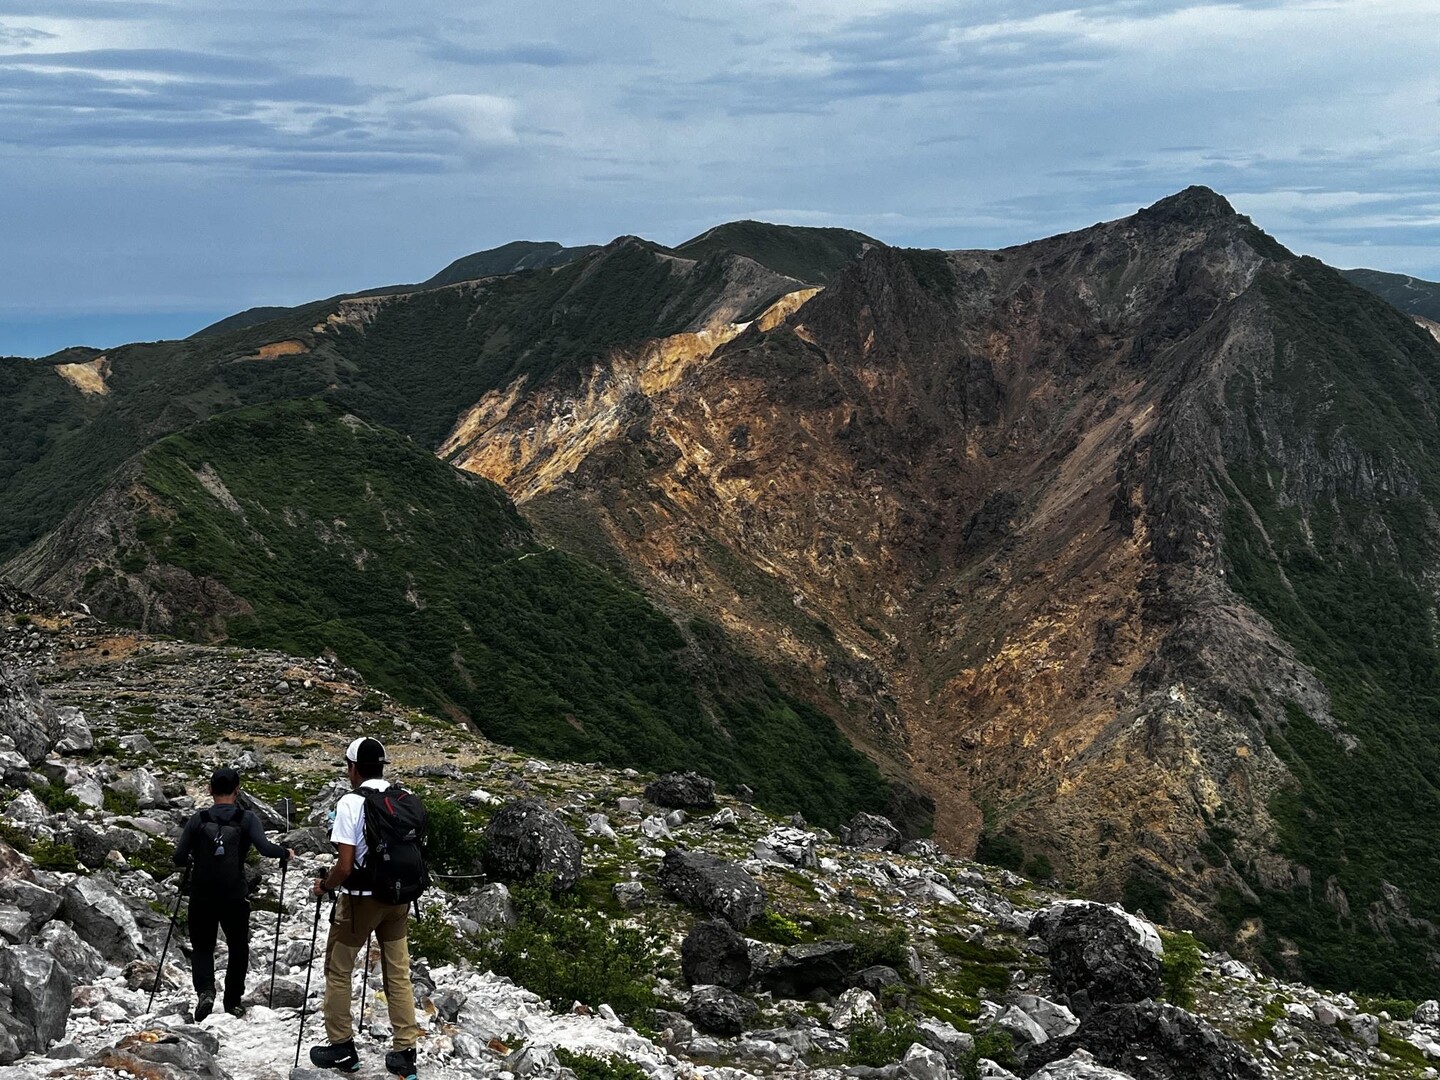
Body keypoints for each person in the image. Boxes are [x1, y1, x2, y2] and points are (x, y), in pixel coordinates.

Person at [309, 737, 422, 1079]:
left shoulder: (351, 803)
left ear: (354, 768)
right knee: (398, 972)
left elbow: (344, 866)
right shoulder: (402, 798)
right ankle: (405, 1052)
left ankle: (342, 1047)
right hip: (400, 898)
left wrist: (324, 886)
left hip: (361, 899)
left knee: (339, 968)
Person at [173, 766, 294, 1020]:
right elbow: (264, 848)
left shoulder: (199, 819)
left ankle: (205, 991)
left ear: (210, 789)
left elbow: (178, 857)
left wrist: (194, 858)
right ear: (237, 791)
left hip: (202, 894)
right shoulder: (246, 818)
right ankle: (232, 1001)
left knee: (202, 947)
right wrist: (285, 853)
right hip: (234, 894)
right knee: (238, 946)